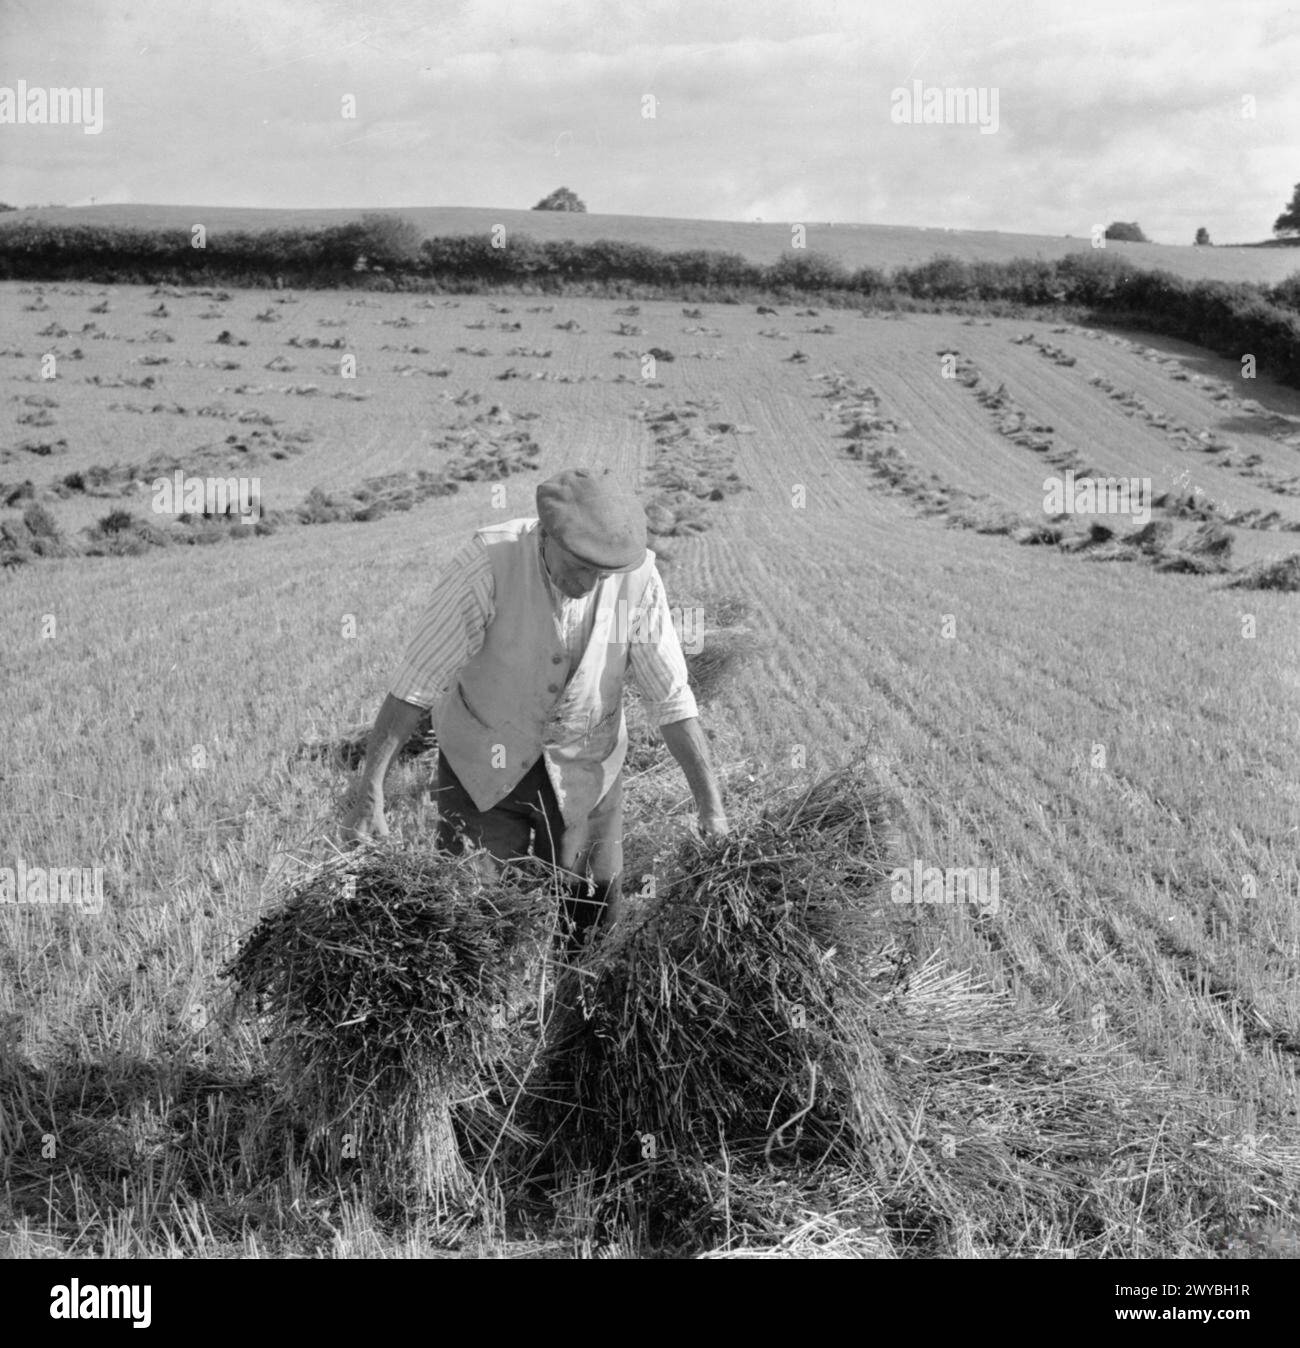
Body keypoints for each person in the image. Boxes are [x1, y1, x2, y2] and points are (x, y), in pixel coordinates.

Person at [342, 467, 729, 946]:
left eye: (602, 572)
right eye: (578, 566)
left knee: (590, 922)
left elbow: (670, 698)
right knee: (470, 923)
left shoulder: (640, 581)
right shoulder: (488, 562)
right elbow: (415, 684)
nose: (589, 582)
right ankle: (486, 1013)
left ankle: (575, 1015)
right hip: (483, 764)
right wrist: (370, 791)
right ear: (545, 534)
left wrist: (711, 808)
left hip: (587, 770)